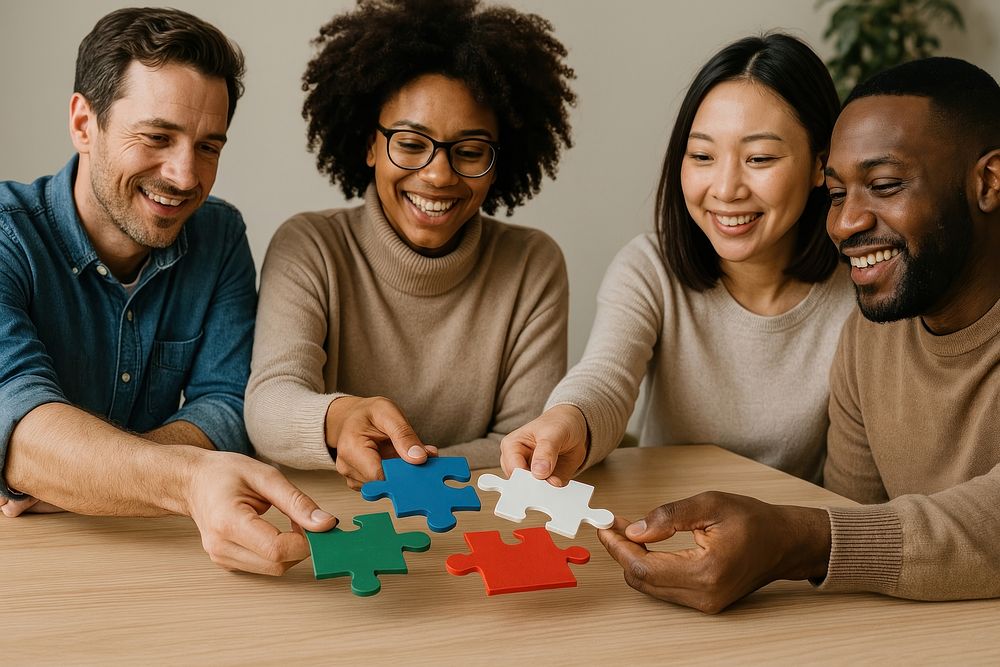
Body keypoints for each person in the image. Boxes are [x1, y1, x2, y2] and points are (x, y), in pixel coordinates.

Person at [597, 56, 1000, 613]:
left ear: (990, 181)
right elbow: (850, 528)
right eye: (838, 194)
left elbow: (843, 535)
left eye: (884, 185)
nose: (845, 223)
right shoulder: (870, 336)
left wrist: (796, 541)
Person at [0, 7, 336, 574]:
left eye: (209, 146)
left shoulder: (219, 234)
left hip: (159, 554)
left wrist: (89, 476)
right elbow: (19, 424)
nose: (185, 176)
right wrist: (183, 478)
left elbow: (228, 407)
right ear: (84, 123)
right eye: (158, 136)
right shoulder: (9, 238)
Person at [245, 0, 574, 489]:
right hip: (335, 518)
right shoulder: (310, 246)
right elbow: (270, 406)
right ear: (370, 144)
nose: (438, 175)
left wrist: (401, 467)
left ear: (498, 161)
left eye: (469, 151)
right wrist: (343, 418)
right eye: (411, 143)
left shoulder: (532, 265)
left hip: (476, 529)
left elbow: (524, 442)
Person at [500, 34, 854, 487]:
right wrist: (568, 420)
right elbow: (606, 376)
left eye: (759, 158)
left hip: (795, 545)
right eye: (703, 156)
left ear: (819, 165)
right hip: (663, 533)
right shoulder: (650, 269)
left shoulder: (860, 293)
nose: (726, 189)